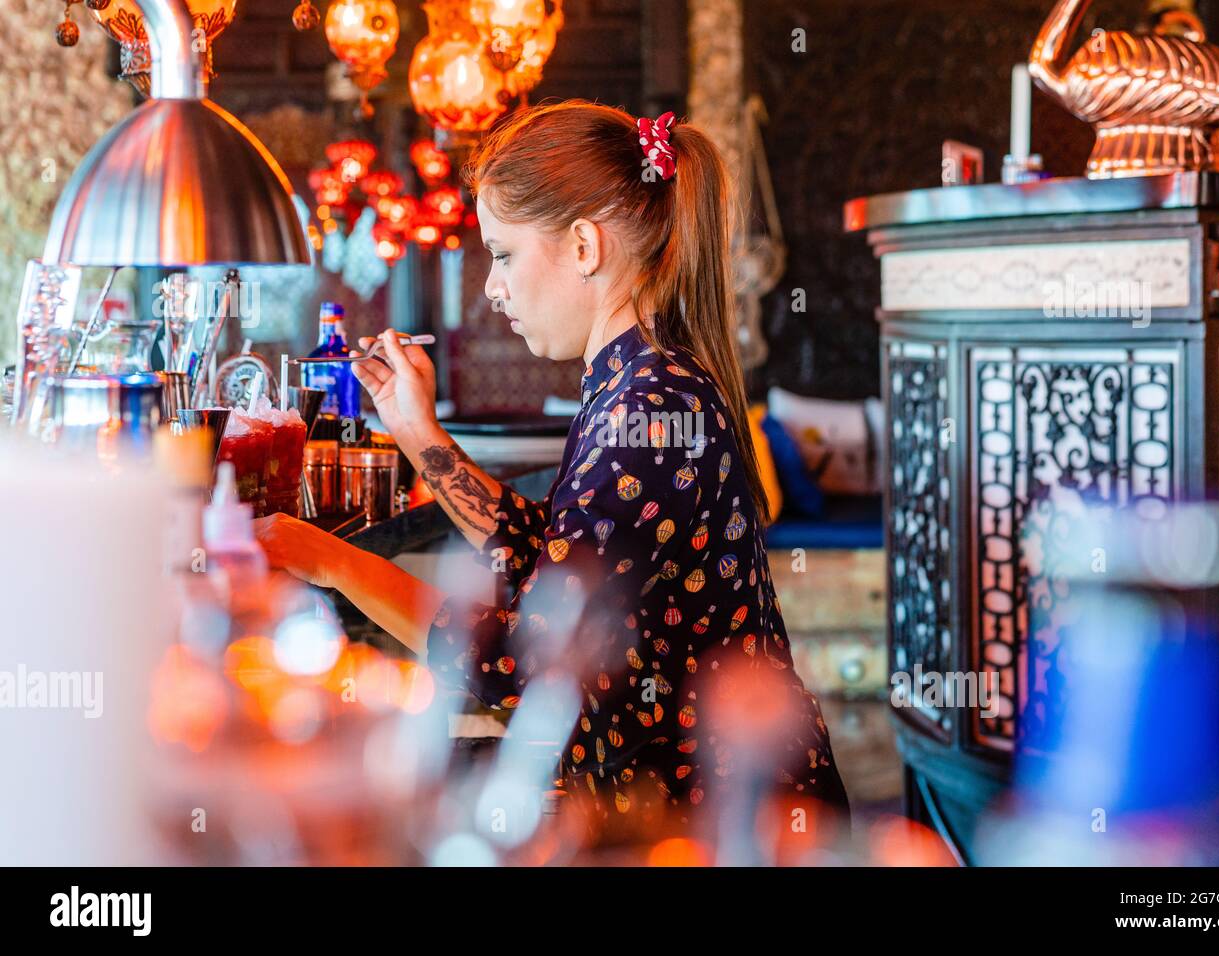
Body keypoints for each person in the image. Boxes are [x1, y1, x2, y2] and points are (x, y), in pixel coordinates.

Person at [256, 100, 850, 847]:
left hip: (725, 819)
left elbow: (521, 661)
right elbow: (555, 554)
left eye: (502, 255)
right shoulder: (632, 384)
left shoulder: (651, 414)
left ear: (582, 246)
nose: (492, 288)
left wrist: (332, 560)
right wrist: (415, 430)